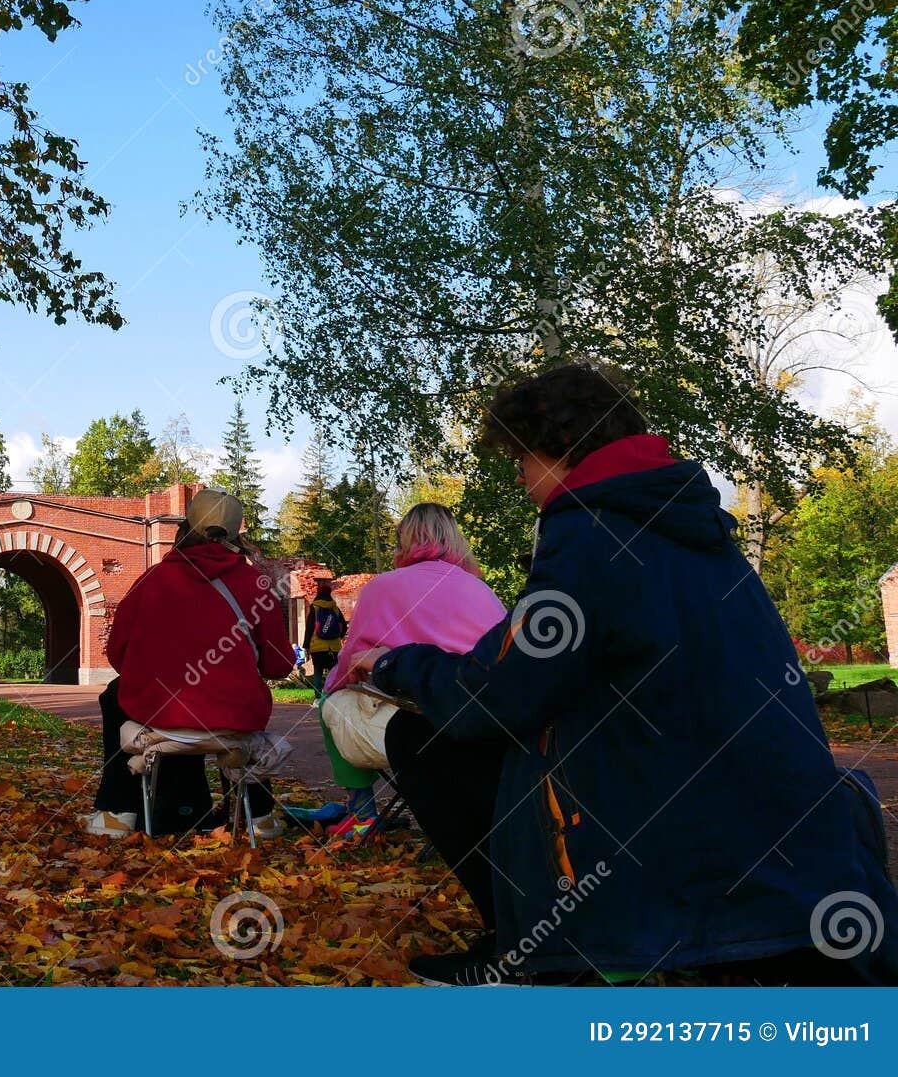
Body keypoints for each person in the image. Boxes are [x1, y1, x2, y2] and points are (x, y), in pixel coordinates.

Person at [344, 362, 898, 985]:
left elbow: (492, 695)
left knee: (430, 742)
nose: (521, 477)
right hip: (784, 849)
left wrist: (391, 664)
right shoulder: (694, 528)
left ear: (559, 448)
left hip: (678, 861)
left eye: (522, 457)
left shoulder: (587, 530)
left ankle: (523, 954)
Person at [82, 489, 295, 838]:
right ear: (236, 532)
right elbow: (278, 666)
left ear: (187, 526)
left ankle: (119, 812)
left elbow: (118, 655)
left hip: (162, 719)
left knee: (115, 693)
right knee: (242, 700)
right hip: (234, 721)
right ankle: (258, 816)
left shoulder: (152, 580)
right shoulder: (255, 584)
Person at [293, 504, 506, 839]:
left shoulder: (382, 587)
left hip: (404, 729)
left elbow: (349, 663)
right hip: (478, 730)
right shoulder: (481, 590)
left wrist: (334, 686)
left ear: (403, 541)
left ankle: (362, 812)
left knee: (332, 702)